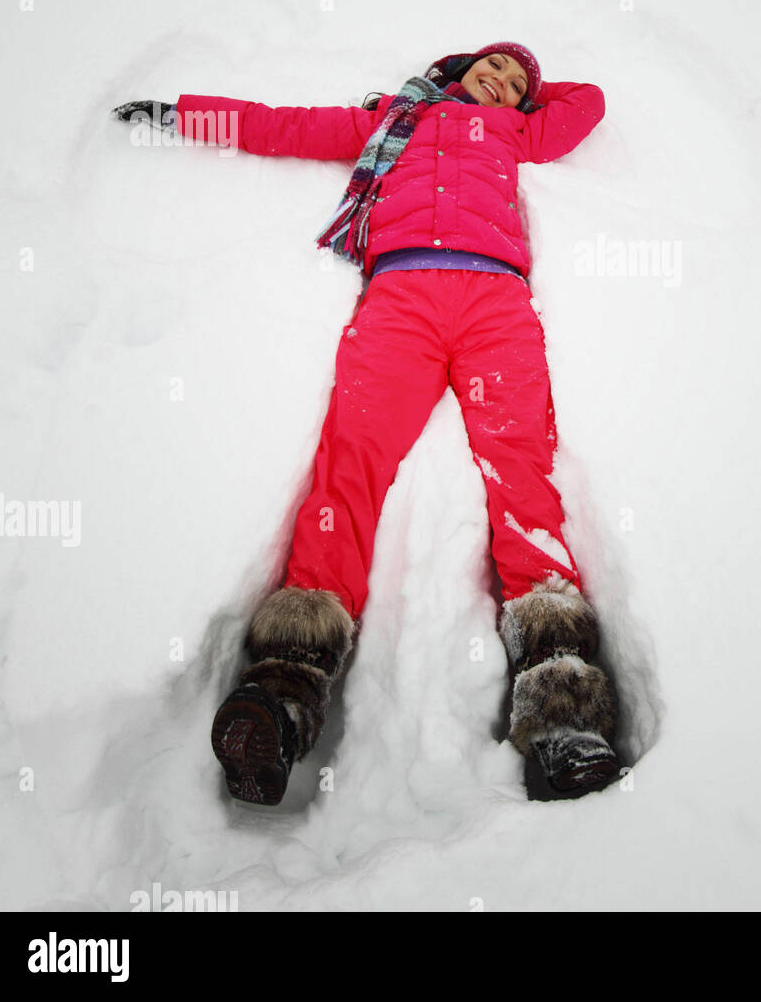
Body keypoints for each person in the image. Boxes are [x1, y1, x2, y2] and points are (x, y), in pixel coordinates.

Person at [113, 41, 620, 805]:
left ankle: (563, 715)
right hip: (402, 298)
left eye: (517, 83)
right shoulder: (390, 121)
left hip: (495, 305)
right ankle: (285, 689)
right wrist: (183, 116)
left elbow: (588, 104)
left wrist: (528, 95)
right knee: (350, 462)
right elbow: (278, 127)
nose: (503, 80)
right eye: (492, 66)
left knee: (522, 471)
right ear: (457, 70)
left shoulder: (519, 131)